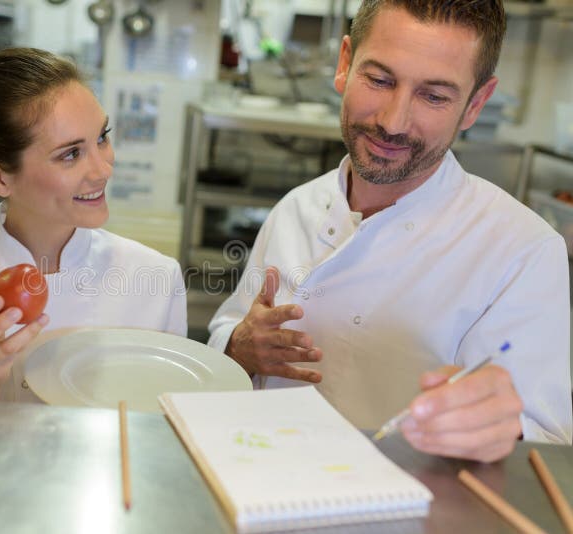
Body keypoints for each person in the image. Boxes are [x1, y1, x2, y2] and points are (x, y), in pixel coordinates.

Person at [208, 0, 572, 462]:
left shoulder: (524, 251)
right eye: (379, 80)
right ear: (345, 64)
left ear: (475, 103)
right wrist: (239, 345)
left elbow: (544, 443)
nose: (392, 122)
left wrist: (503, 429)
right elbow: (227, 332)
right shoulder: (295, 209)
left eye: (434, 96)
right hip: (262, 477)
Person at [0, 47, 187, 399]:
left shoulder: (157, 280)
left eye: (102, 137)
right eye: (71, 154)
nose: (104, 169)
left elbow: (162, 428)